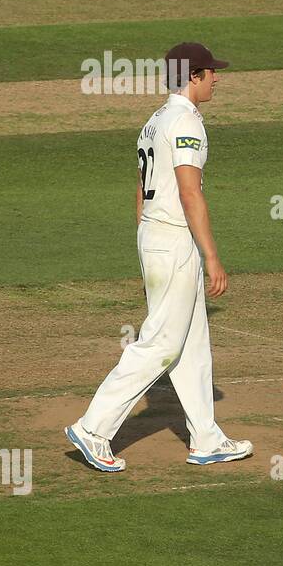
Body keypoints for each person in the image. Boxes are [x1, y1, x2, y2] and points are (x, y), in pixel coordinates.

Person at [66, 42, 253, 471]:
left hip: (154, 234)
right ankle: (94, 427)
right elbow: (189, 193)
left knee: (192, 344)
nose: (216, 78)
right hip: (173, 239)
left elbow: (140, 186)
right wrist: (212, 257)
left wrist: (145, 241)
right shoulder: (185, 122)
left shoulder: (154, 121)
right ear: (193, 77)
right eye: (210, 72)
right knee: (161, 344)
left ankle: (205, 437)